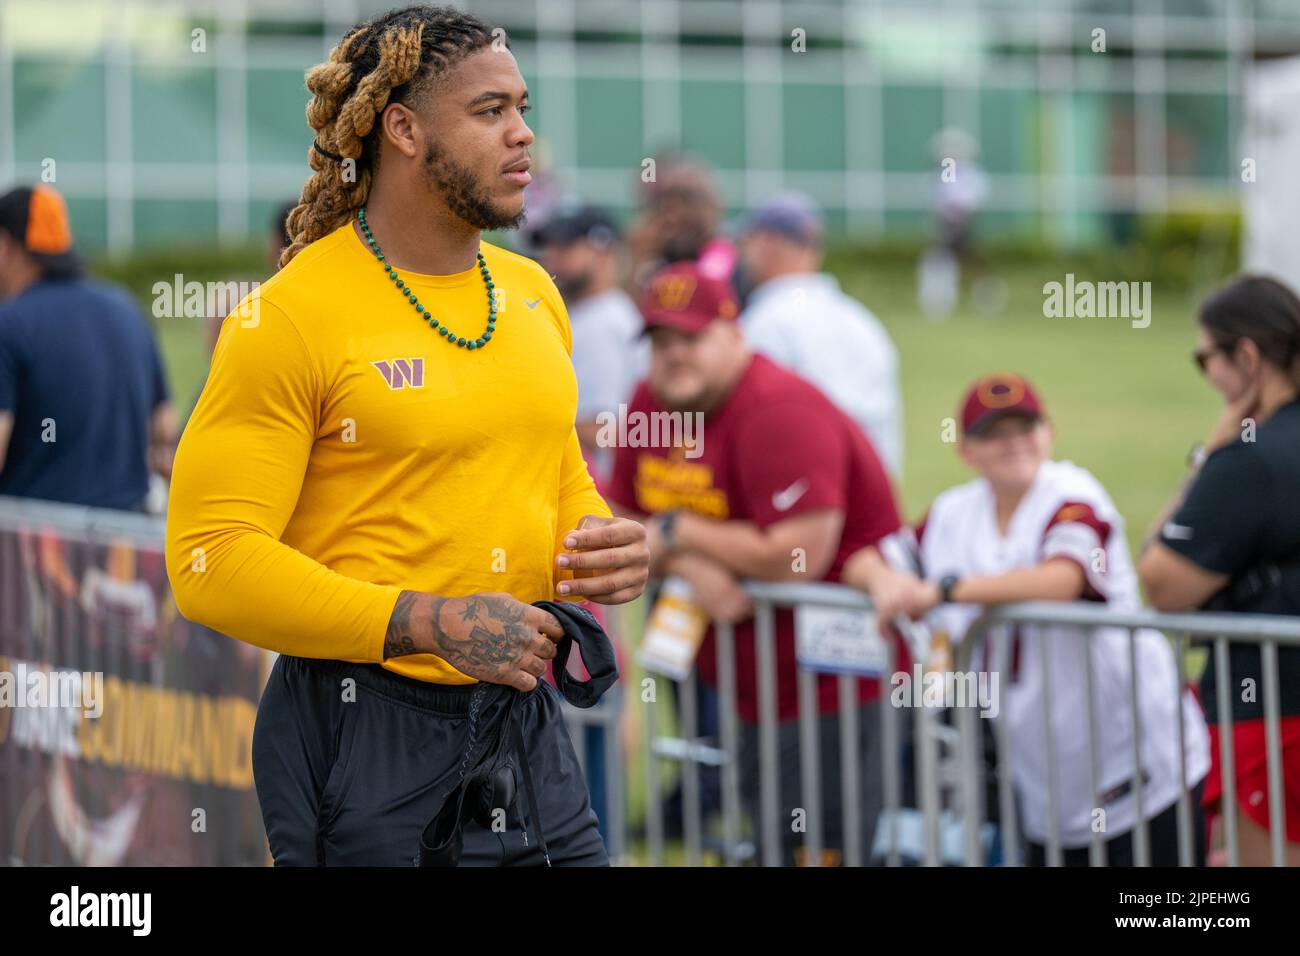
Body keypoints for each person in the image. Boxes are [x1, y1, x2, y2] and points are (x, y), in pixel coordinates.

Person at [165, 4, 648, 867]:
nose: (523, 135)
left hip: (518, 718)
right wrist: (427, 621)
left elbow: (553, 467)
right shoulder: (286, 318)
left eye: (523, 107)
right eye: (491, 111)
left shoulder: (532, 291)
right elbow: (210, 560)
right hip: (357, 731)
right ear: (404, 129)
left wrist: (595, 538)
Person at [605, 260, 907, 866]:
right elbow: (614, 519)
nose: (673, 355)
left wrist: (677, 531)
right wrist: (690, 565)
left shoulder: (780, 410)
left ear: (735, 333)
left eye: (690, 338)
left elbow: (794, 557)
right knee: (765, 842)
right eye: (659, 340)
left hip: (833, 688)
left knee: (815, 851)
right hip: (748, 687)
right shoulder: (651, 398)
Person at [846, 372, 1210, 866]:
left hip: (1135, 753)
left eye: (1025, 427)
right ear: (966, 449)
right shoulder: (955, 513)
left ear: (1048, 432)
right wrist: (886, 585)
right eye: (994, 433)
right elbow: (868, 559)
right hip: (1044, 772)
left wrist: (944, 591)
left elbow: (1061, 580)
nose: (1013, 444)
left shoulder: (1072, 492)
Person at [1138, 274, 1300, 866]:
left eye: (1204, 357)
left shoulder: (1249, 461)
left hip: (1275, 715)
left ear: (1247, 357)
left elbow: (1162, 583)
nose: (1206, 375)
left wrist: (1210, 451)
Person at [0, 184, 177, 512]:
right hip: (123, 539)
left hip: (37, 547)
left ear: (7, 245)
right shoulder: (126, 307)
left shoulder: (8, 323)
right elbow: (164, 424)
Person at [737, 192, 904, 477]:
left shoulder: (763, 323)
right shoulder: (862, 319)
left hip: (805, 501)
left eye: (746, 241)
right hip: (872, 499)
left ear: (767, 245)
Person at [532, 204, 647, 481]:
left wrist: (525, 421)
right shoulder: (592, 314)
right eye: (550, 247)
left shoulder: (604, 322)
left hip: (598, 488)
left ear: (602, 251)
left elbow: (603, 429)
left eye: (566, 247)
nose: (552, 257)